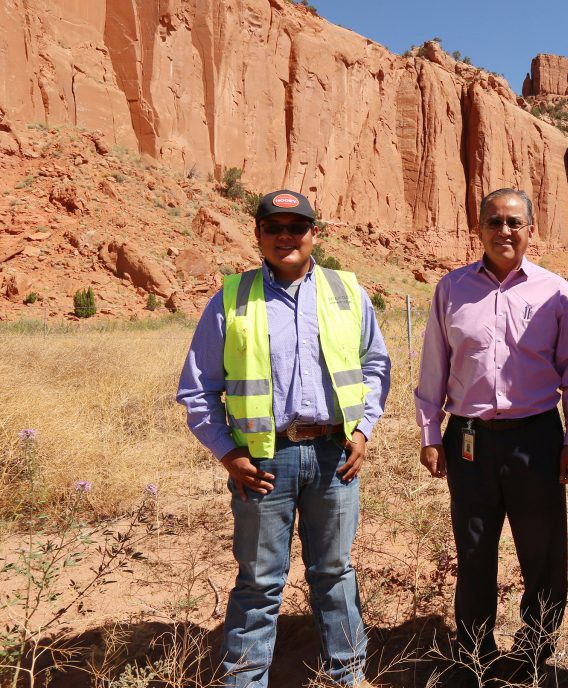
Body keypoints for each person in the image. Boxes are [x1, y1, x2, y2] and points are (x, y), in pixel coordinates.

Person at [176, 189, 391, 688]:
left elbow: (375, 365)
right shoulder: (230, 298)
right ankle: (245, 679)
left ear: (315, 234)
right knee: (259, 581)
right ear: (258, 236)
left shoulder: (346, 291)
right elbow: (196, 389)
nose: (285, 236)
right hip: (262, 461)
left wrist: (363, 429)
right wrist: (227, 452)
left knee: (334, 572)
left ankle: (348, 675)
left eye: (296, 227)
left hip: (334, 455)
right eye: (274, 227)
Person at [415, 188, 568, 681]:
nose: (504, 231)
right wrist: (431, 433)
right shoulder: (451, 289)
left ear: (531, 229)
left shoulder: (556, 291)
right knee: (474, 550)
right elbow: (435, 365)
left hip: (536, 438)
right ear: (479, 229)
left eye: (515, 222)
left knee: (543, 552)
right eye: (494, 222)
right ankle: (475, 655)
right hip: (468, 438)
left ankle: (533, 654)